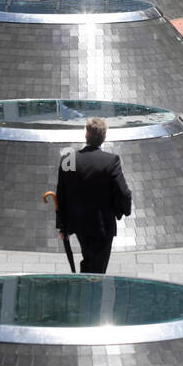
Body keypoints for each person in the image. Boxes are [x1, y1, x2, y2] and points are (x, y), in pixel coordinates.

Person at [55, 117, 132, 274]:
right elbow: (124, 193)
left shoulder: (68, 160)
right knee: (97, 268)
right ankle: (89, 290)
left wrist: (62, 224)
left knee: (89, 260)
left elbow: (61, 194)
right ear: (103, 138)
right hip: (102, 225)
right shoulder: (111, 161)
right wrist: (124, 211)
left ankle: (85, 280)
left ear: (86, 136)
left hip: (78, 224)